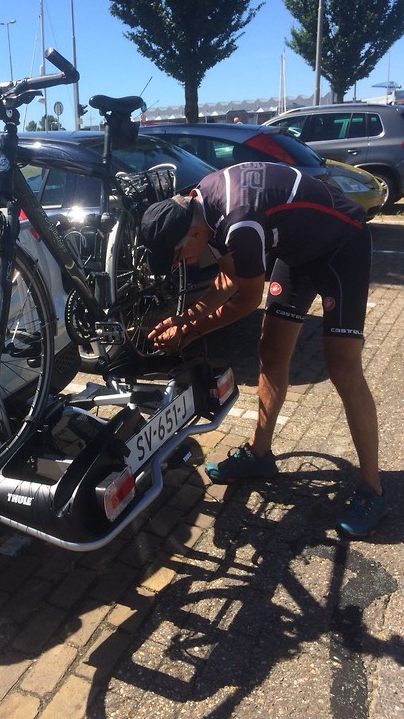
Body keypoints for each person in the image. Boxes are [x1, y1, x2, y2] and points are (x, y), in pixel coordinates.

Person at [140, 161, 389, 538]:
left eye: (180, 255)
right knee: (271, 351)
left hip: (342, 244)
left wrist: (188, 332)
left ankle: (373, 488)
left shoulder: (237, 222)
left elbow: (244, 300)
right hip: (299, 250)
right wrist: (182, 321)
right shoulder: (198, 204)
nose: (187, 263)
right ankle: (259, 455)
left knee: (342, 365)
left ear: (192, 232)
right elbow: (226, 278)